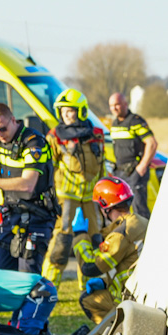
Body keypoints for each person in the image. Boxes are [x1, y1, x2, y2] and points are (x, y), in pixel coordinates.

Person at [0, 103, 57, 274]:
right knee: (3, 275)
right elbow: (2, 170)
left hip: (36, 217)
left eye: (2, 129)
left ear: (13, 120)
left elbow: (27, 184)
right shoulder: (3, 142)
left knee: (27, 278)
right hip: (11, 215)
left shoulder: (34, 143)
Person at [41, 89, 105, 286]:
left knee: (93, 240)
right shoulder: (55, 137)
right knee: (63, 241)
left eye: (70, 111)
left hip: (90, 199)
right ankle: (48, 286)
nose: (66, 116)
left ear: (82, 112)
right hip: (66, 198)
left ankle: (89, 285)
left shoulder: (97, 135)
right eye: (63, 112)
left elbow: (101, 166)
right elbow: (47, 167)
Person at [73, 175, 146, 324]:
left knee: (88, 300)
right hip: (142, 292)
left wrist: (80, 236)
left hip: (131, 300)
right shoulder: (140, 221)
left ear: (105, 206)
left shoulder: (120, 234)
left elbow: (90, 267)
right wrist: (106, 283)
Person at [105, 90, 158, 219]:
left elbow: (152, 143)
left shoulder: (135, 121)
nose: (114, 108)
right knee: (121, 210)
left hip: (135, 172)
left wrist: (142, 166)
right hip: (120, 172)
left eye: (117, 104)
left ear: (125, 104)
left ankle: (145, 237)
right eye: (111, 106)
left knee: (139, 208)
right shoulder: (115, 123)